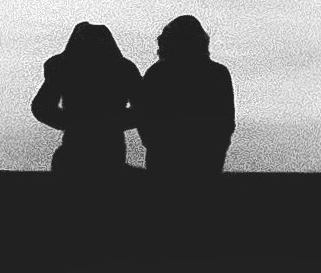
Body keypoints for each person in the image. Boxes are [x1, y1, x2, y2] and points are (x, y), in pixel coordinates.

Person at [133, 17, 237, 178]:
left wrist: (156, 144)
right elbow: (226, 121)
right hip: (207, 161)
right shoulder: (218, 73)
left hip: (164, 161)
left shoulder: (157, 73)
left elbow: (144, 116)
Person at [33, 21, 140, 173]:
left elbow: (41, 108)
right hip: (107, 150)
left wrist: (75, 123)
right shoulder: (124, 69)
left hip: (78, 151)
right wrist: (110, 123)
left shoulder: (63, 67)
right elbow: (144, 109)